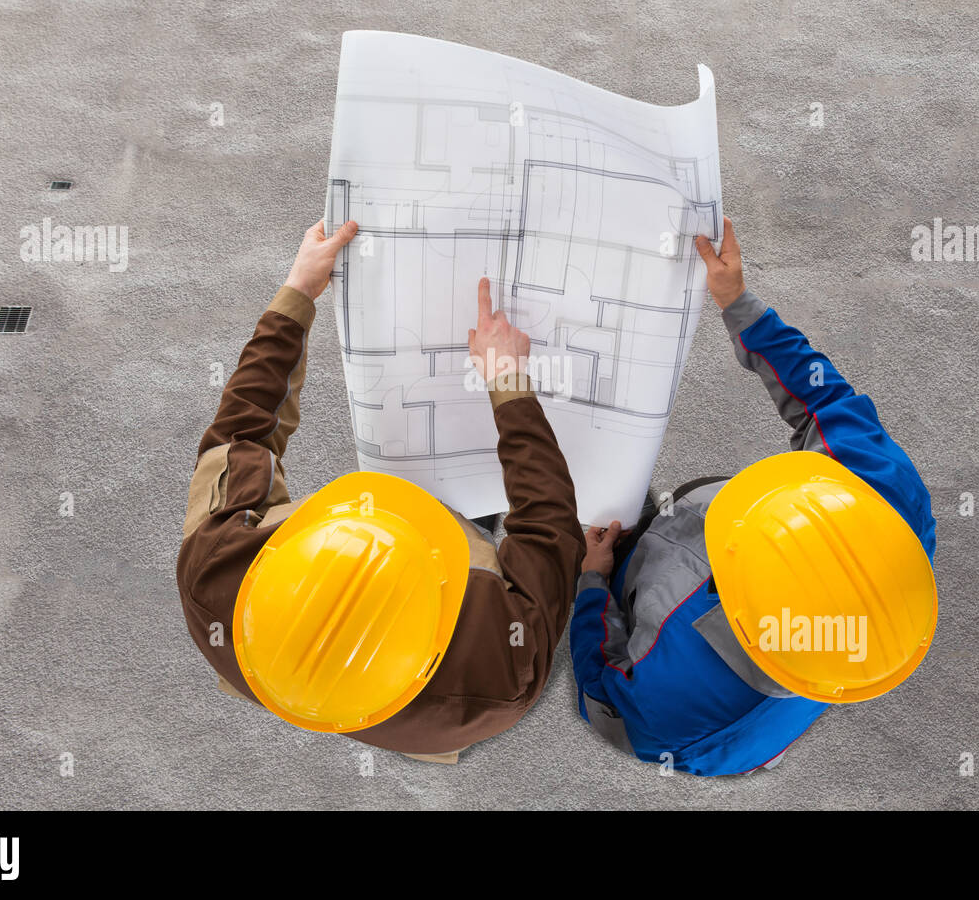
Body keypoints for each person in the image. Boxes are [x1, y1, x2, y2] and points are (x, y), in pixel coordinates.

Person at [177, 219, 585, 763]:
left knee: (428, 727)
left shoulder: (215, 579)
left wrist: (297, 296)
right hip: (444, 710)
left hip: (416, 711)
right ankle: (425, 741)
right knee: (437, 725)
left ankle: (420, 740)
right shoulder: (500, 674)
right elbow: (550, 525)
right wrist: (507, 380)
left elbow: (240, 430)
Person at [569, 217, 938, 776]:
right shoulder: (884, 503)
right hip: (762, 713)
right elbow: (821, 397)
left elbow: (599, 681)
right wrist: (737, 303)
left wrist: (593, 579)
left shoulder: (658, 713)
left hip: (696, 722)